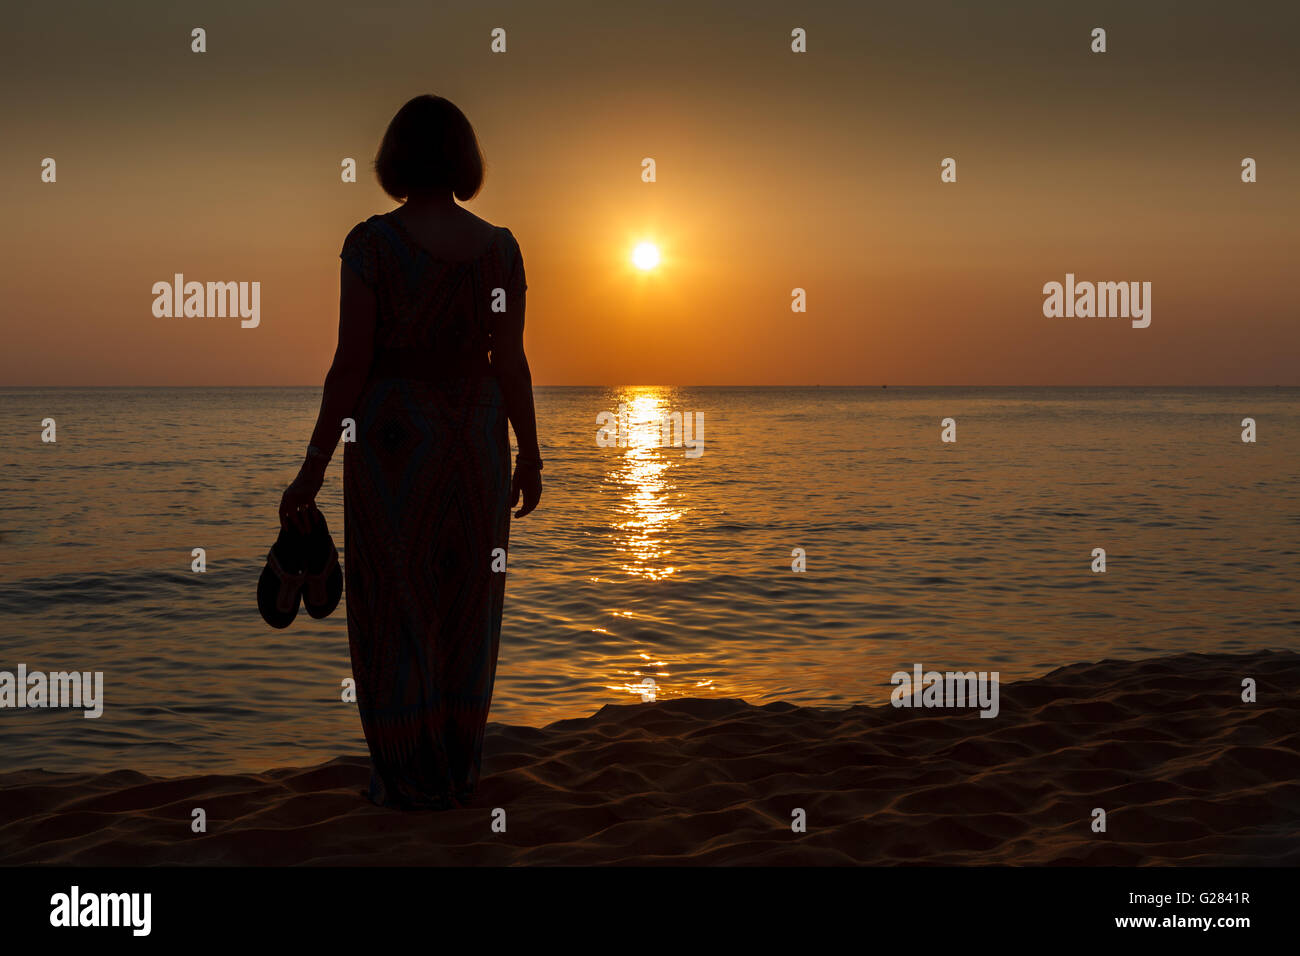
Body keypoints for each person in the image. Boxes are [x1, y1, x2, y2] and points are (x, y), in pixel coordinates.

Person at [279, 94, 542, 809]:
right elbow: (511, 362)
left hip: (393, 444)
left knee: (394, 603)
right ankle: (457, 769)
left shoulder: (370, 245)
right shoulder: (500, 248)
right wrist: (529, 453)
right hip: (475, 441)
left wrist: (312, 468)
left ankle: (403, 776)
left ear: (395, 157)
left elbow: (350, 365)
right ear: (465, 159)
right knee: (466, 602)